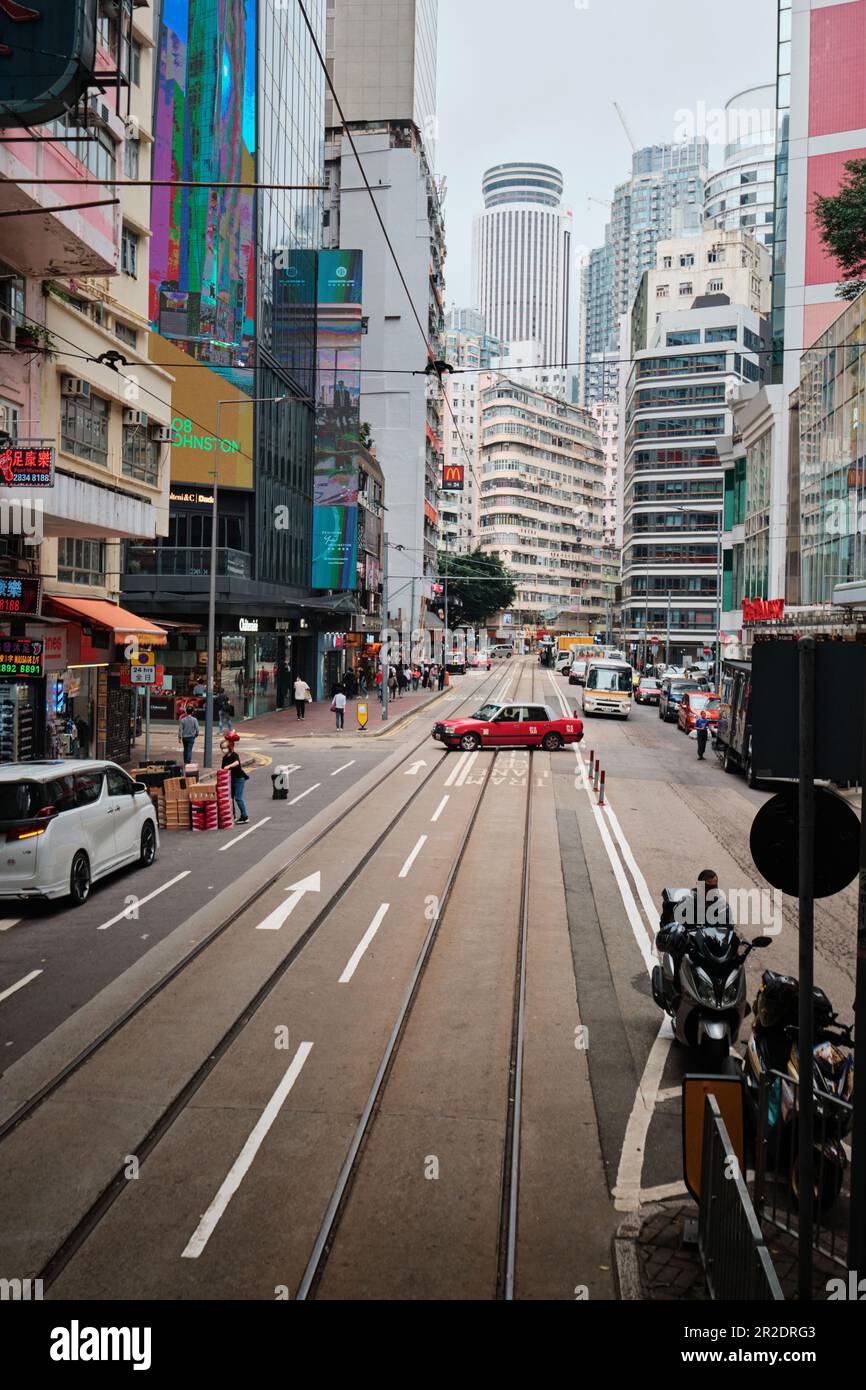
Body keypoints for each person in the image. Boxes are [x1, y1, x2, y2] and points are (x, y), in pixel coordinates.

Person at [221, 734, 249, 824]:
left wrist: (229, 766)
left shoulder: (234, 755)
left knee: (238, 798)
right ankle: (232, 816)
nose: (223, 750)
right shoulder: (225, 758)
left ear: (230, 747)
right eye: (222, 748)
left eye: (225, 747)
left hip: (239, 779)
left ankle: (245, 816)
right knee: (230, 798)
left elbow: (237, 763)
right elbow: (222, 769)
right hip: (230, 780)